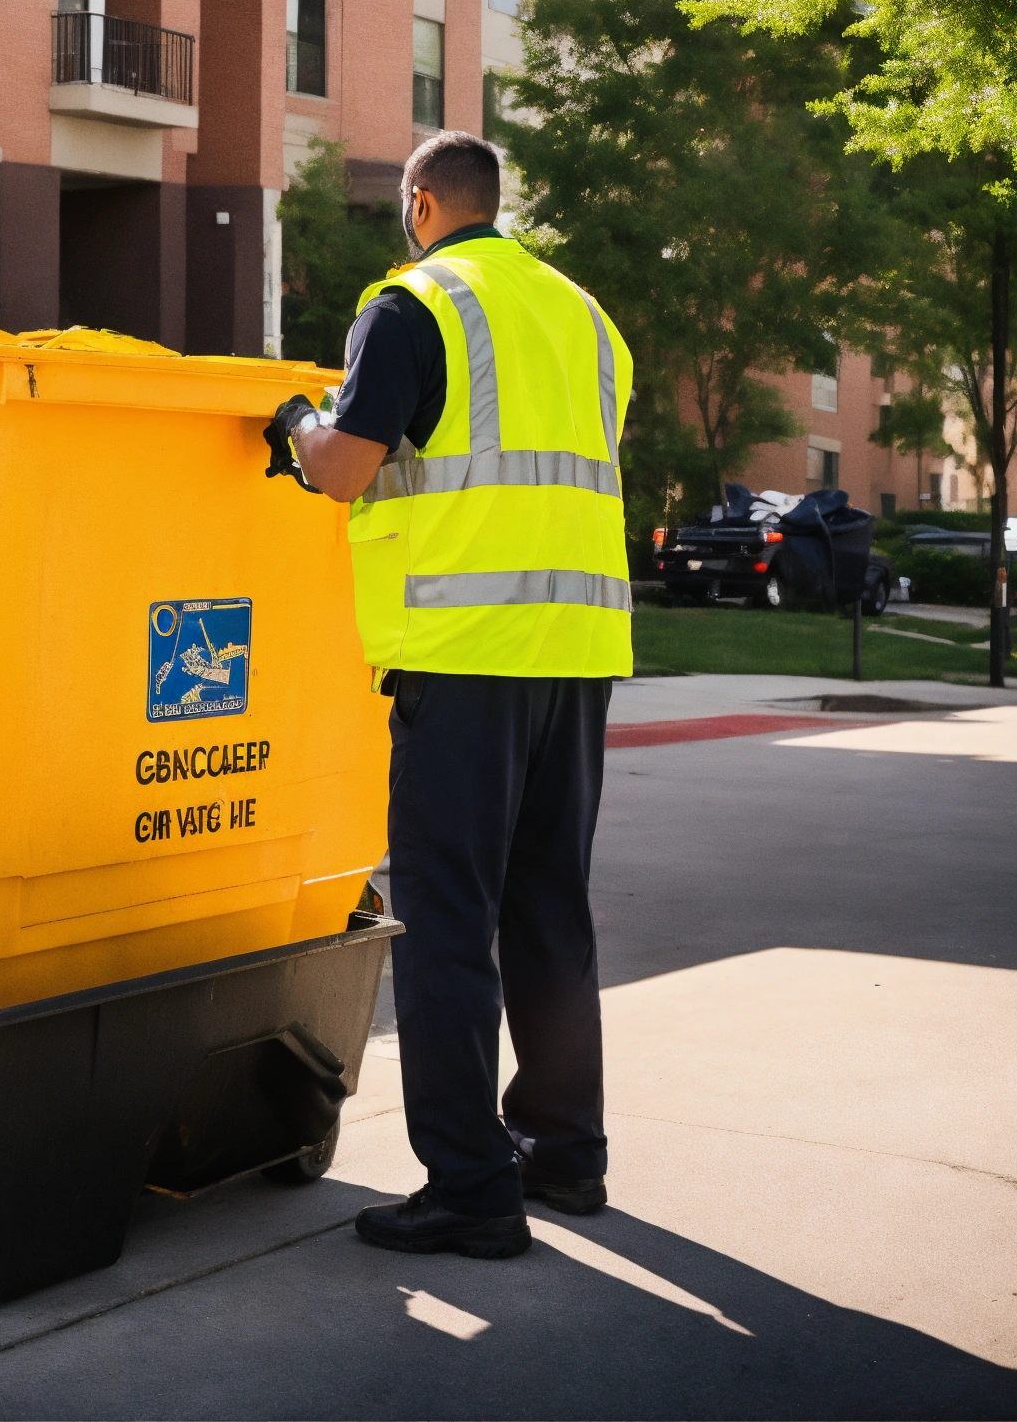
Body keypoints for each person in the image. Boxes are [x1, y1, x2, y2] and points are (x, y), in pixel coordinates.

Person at [263, 130, 632, 1260]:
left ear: (421, 202)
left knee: (444, 927)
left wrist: (295, 425)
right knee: (546, 909)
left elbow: (345, 465)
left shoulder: (412, 302)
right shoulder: (583, 315)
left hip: (462, 651)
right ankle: (563, 1152)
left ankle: (470, 1188)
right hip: (573, 652)